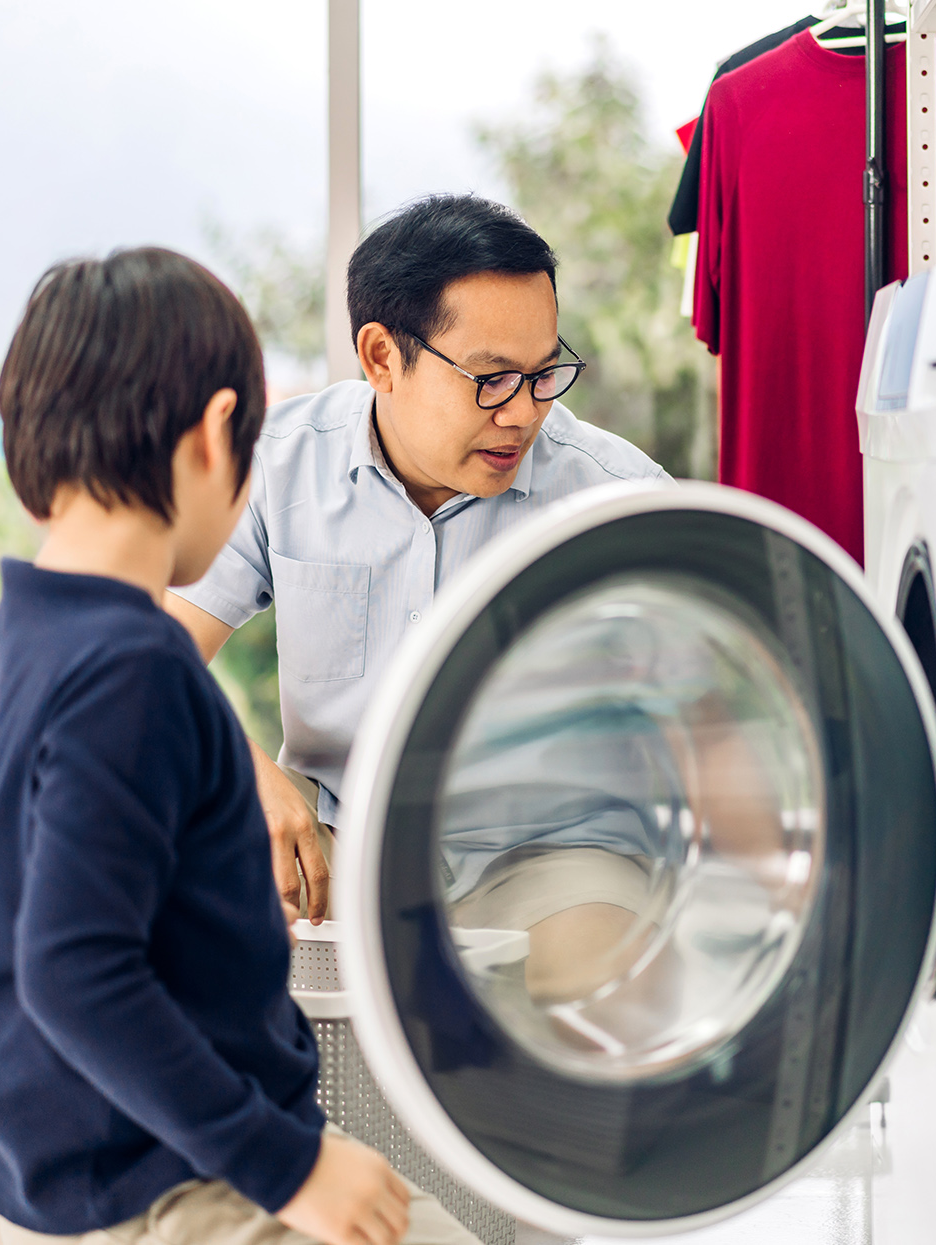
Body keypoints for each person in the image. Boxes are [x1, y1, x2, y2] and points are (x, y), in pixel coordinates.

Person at [0, 247, 477, 1245]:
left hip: (67, 1188)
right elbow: (69, 969)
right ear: (217, 436)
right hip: (184, 1195)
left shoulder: (27, 631)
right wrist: (289, 1166)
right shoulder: (138, 669)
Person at [163, 194, 668, 926]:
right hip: (342, 836)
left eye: (544, 373)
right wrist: (246, 771)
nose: (524, 412)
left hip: (556, 859)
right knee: (200, 868)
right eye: (490, 379)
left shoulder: (616, 499)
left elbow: (722, 707)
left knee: (581, 1009)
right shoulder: (281, 463)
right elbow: (153, 652)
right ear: (381, 358)